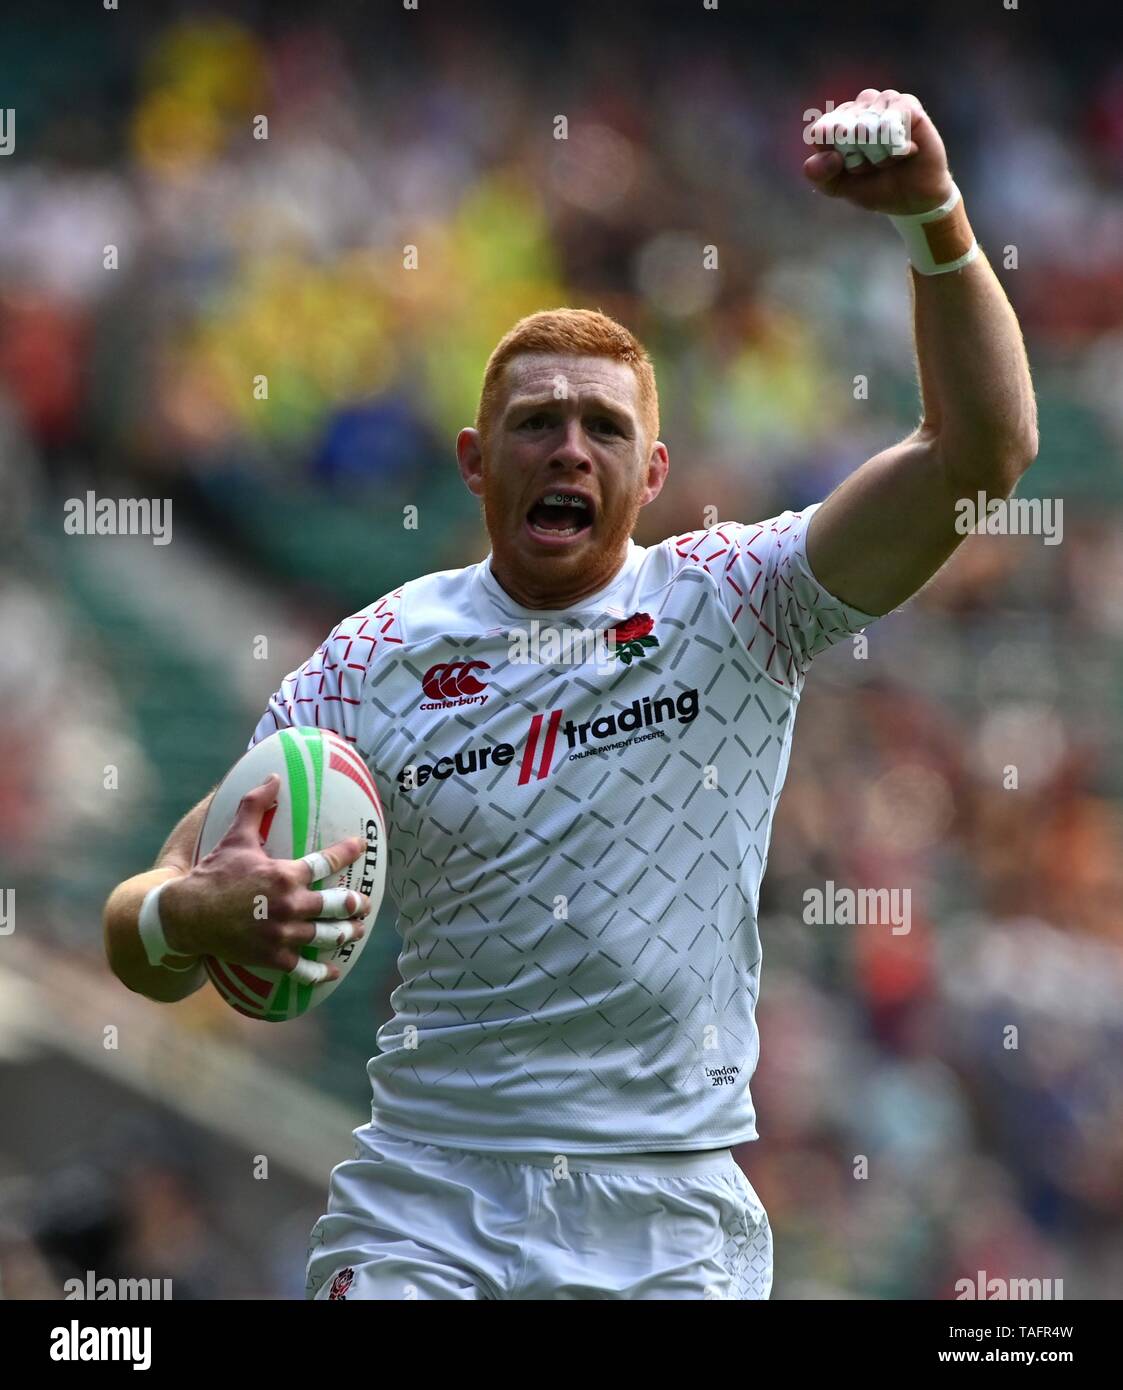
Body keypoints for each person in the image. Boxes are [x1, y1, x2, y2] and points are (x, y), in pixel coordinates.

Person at [104, 89, 1038, 1299]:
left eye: (603, 427)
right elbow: (147, 916)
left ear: (651, 472)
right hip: (430, 1203)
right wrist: (194, 917)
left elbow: (984, 454)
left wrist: (933, 218)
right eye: (536, 422)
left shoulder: (739, 601)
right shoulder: (371, 656)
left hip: (669, 1218)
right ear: (475, 461)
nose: (568, 449)